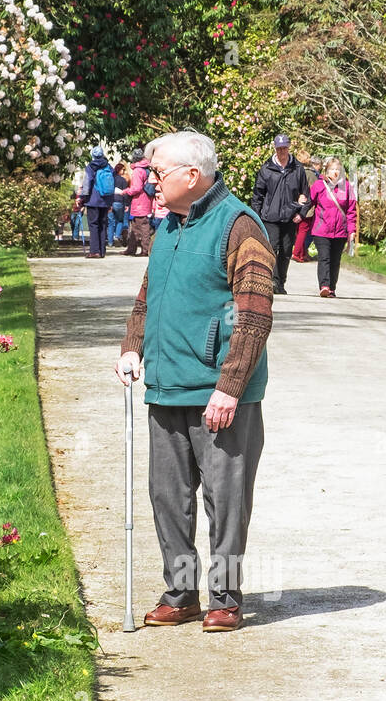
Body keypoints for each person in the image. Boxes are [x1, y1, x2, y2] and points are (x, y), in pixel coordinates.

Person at [114, 130, 276, 632]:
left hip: (219, 395)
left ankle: (225, 599)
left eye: (156, 172)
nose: (148, 180)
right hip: (165, 388)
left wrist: (229, 386)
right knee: (168, 497)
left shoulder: (240, 226)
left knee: (224, 502)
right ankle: (181, 594)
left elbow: (253, 315)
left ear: (192, 174)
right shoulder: (169, 226)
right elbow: (149, 294)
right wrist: (131, 346)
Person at [252, 133, 311, 294]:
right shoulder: (267, 169)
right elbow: (258, 195)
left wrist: (302, 213)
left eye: (284, 148)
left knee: (285, 251)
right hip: (270, 217)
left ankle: (279, 283)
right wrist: (257, 217)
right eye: (279, 149)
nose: (282, 151)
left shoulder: (297, 169)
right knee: (271, 248)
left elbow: (307, 195)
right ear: (275, 148)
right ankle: (268, 281)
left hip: (291, 217)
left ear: (289, 147)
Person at [307, 157, 357, 297]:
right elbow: (309, 202)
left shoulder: (347, 187)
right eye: (332, 169)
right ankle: (324, 285)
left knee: (335, 260)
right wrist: (298, 214)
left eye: (337, 169)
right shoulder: (319, 185)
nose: (335, 172)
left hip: (340, 231)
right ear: (326, 170)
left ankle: (332, 288)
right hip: (321, 229)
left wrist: (351, 230)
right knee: (324, 258)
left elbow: (351, 211)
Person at [80, 145, 114, 258]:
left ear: (92, 155)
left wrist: (82, 197)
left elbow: (87, 182)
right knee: (103, 225)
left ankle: (94, 251)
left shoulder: (90, 167)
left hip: (93, 200)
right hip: (105, 200)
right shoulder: (108, 166)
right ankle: (102, 251)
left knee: (93, 225)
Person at [123, 147, 154, 256]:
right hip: (146, 200)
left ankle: (144, 249)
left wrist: (126, 191)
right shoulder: (146, 169)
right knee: (136, 226)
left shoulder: (137, 171)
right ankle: (132, 248)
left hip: (139, 202)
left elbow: (136, 188)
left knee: (142, 227)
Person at [291, 153, 322, 262]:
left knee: (299, 231)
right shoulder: (310, 174)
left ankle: (302, 254)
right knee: (304, 231)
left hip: (295, 205)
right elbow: (315, 191)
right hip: (307, 207)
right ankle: (296, 253)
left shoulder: (295, 172)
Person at [108, 161, 131, 247]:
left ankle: (110, 242)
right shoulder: (123, 180)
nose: (124, 171)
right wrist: (127, 204)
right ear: (120, 170)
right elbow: (125, 193)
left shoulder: (111, 179)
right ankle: (117, 235)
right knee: (120, 220)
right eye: (123, 170)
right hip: (119, 202)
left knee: (110, 222)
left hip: (111, 202)